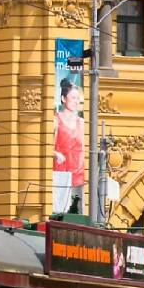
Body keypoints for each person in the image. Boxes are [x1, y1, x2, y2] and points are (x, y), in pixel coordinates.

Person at [51, 77, 86, 217]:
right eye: (73, 98)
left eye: (78, 98)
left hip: (78, 178)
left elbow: (85, 150)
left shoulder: (82, 123)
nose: (76, 101)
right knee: (59, 214)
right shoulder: (55, 121)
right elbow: (46, 147)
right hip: (60, 177)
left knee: (77, 215)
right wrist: (55, 154)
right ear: (63, 99)